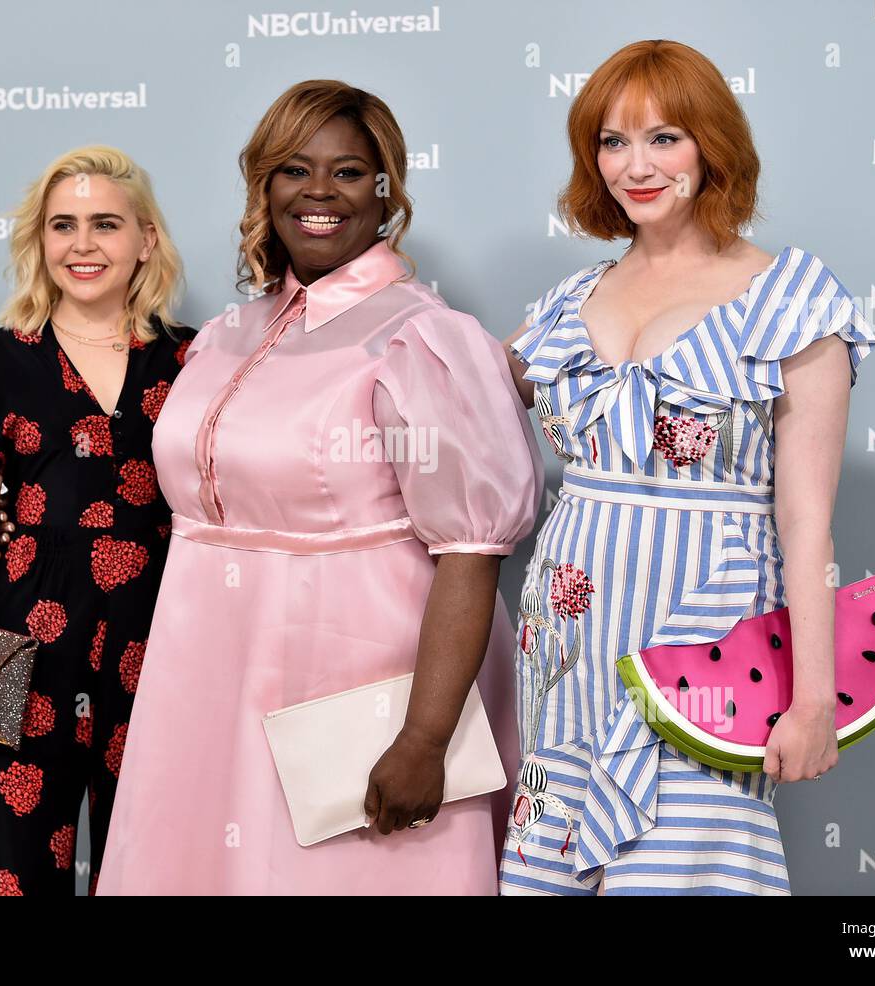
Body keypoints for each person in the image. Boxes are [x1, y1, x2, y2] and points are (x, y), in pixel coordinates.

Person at [94, 80, 543, 894]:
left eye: (347, 172)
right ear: (265, 186)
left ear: (385, 189)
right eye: (295, 170)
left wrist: (425, 739)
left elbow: (472, 554)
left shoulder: (423, 338)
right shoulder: (228, 336)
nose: (319, 193)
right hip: (204, 683)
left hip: (356, 698)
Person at [499, 40, 875, 895]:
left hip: (707, 632)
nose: (636, 166)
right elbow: (462, 406)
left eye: (664, 137)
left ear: (713, 144)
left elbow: (809, 519)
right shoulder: (567, 302)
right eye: (612, 142)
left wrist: (816, 699)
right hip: (563, 638)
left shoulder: (792, 297)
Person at [0, 145, 194, 896]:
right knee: (8, 867)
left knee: (150, 868)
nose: (82, 244)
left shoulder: (196, 362)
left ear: (147, 240)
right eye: (62, 225)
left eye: (105, 223)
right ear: (39, 243)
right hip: (13, 641)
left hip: (164, 639)